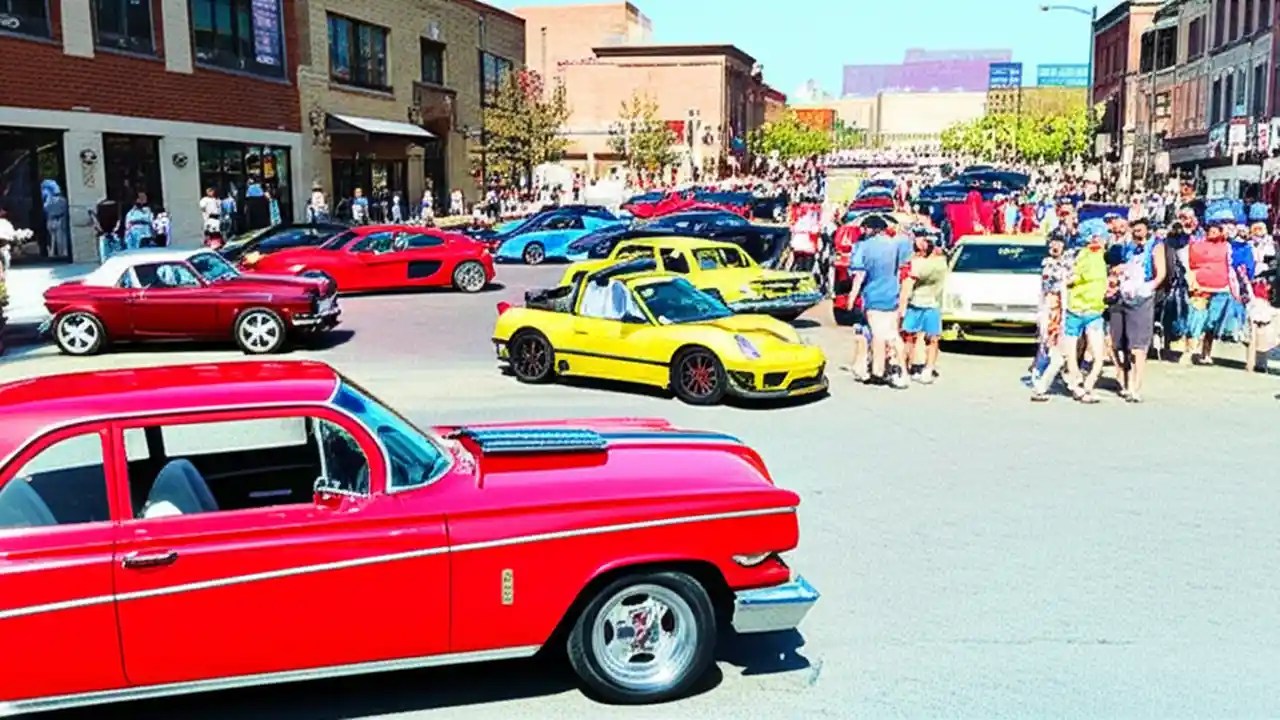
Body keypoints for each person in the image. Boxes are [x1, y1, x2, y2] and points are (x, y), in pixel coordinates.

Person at [846, 214, 912, 388]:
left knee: (877, 334)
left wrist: (852, 297)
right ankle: (903, 371)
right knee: (893, 334)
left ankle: (878, 370)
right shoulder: (896, 244)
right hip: (892, 294)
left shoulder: (864, 247)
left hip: (874, 296)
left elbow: (859, 274)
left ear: (870, 229)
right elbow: (903, 265)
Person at [1108, 218, 1166, 402]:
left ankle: (1135, 386)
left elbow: (1161, 273)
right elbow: (1123, 267)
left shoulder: (1155, 246)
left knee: (1137, 347)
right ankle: (1124, 379)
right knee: (1117, 343)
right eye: (1134, 230)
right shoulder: (1127, 247)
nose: (1136, 233)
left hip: (1142, 297)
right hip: (1123, 295)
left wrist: (1148, 288)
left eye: (1139, 230)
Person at [1184, 211, 1237, 365]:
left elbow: (1232, 264)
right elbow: (1192, 264)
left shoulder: (1227, 246)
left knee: (1212, 322)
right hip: (1201, 286)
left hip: (1221, 287)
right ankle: (1191, 350)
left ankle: (1206, 352)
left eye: (1215, 231)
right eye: (1210, 231)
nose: (1212, 233)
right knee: (1197, 318)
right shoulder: (1197, 245)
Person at [1063, 228, 1109, 403]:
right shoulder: (1077, 256)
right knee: (1071, 354)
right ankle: (1077, 386)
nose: (1097, 241)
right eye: (1094, 238)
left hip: (1094, 311)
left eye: (1100, 238)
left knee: (1099, 356)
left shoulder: (1105, 257)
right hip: (1075, 310)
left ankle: (1088, 385)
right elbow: (1066, 278)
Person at [898, 227, 947, 383]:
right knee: (932, 339)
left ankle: (905, 371)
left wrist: (901, 308)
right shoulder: (942, 262)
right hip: (933, 304)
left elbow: (907, 286)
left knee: (909, 337)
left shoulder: (918, 264)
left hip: (917, 304)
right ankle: (928, 369)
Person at [1030, 232, 1074, 402]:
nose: (1054, 247)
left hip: (1063, 312)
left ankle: (1042, 380)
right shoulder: (1047, 264)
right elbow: (1053, 285)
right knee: (1054, 353)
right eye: (1052, 244)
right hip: (1051, 314)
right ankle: (1041, 386)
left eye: (1058, 244)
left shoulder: (1069, 262)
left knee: (1050, 353)